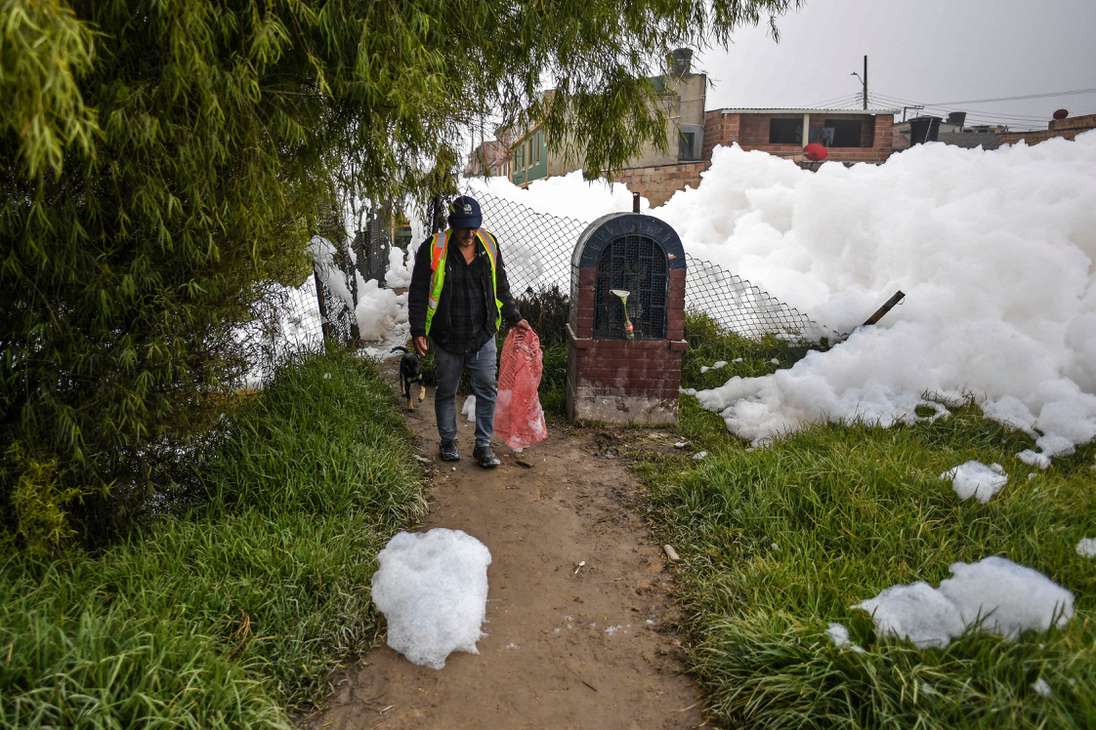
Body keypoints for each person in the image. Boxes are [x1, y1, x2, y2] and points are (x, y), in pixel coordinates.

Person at [408, 195, 532, 468]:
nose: (469, 233)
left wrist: (515, 317)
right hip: (447, 336)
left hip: (482, 335)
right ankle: (448, 441)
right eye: (464, 227)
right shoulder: (433, 248)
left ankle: (483, 445)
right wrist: (418, 330)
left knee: (487, 389)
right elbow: (418, 291)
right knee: (446, 390)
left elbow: (501, 285)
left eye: (474, 227)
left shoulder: (489, 244)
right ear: (452, 224)